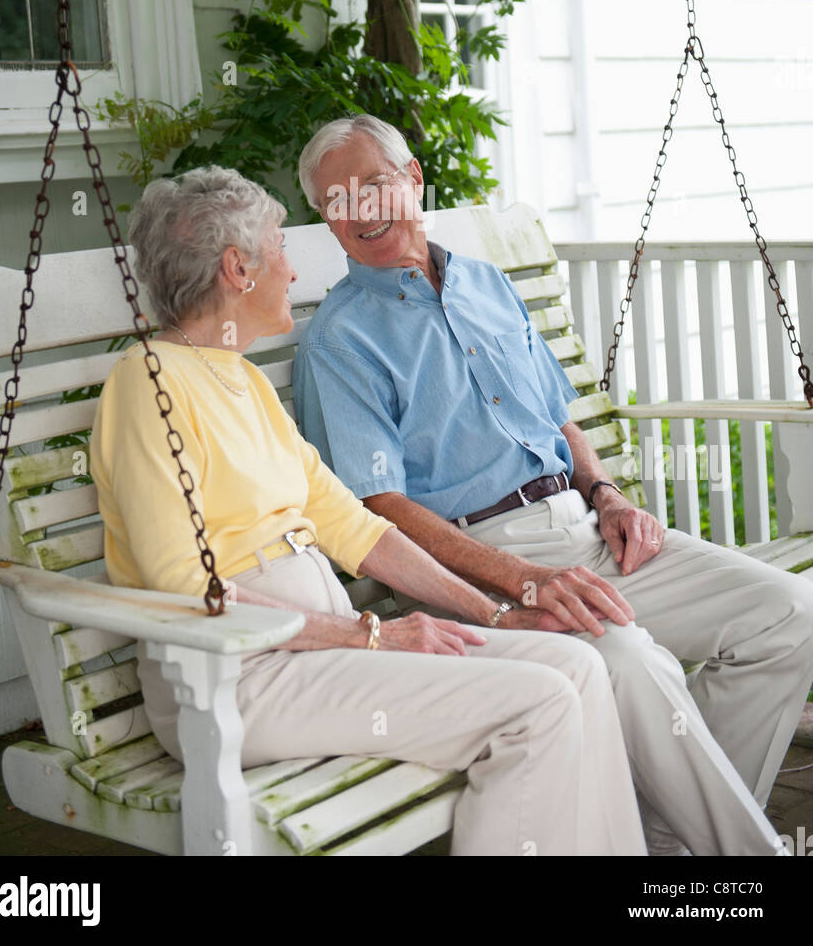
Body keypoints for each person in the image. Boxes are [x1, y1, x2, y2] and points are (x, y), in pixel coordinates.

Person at [89, 166, 648, 858]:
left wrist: (496, 612)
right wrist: (369, 636)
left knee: (577, 668)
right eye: (281, 247)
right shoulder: (147, 386)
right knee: (536, 707)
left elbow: (356, 528)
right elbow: (185, 588)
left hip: (319, 657)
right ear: (238, 268)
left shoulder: (242, 379)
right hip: (233, 681)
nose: (293, 271)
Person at [292, 114, 812, 858]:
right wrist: (526, 581)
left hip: (583, 529)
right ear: (329, 223)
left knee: (789, 613)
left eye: (374, 184)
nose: (362, 209)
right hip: (478, 564)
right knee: (629, 662)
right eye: (338, 200)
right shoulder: (341, 340)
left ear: (413, 181)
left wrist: (609, 496)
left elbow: (560, 422)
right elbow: (382, 509)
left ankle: (669, 838)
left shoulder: (486, 285)